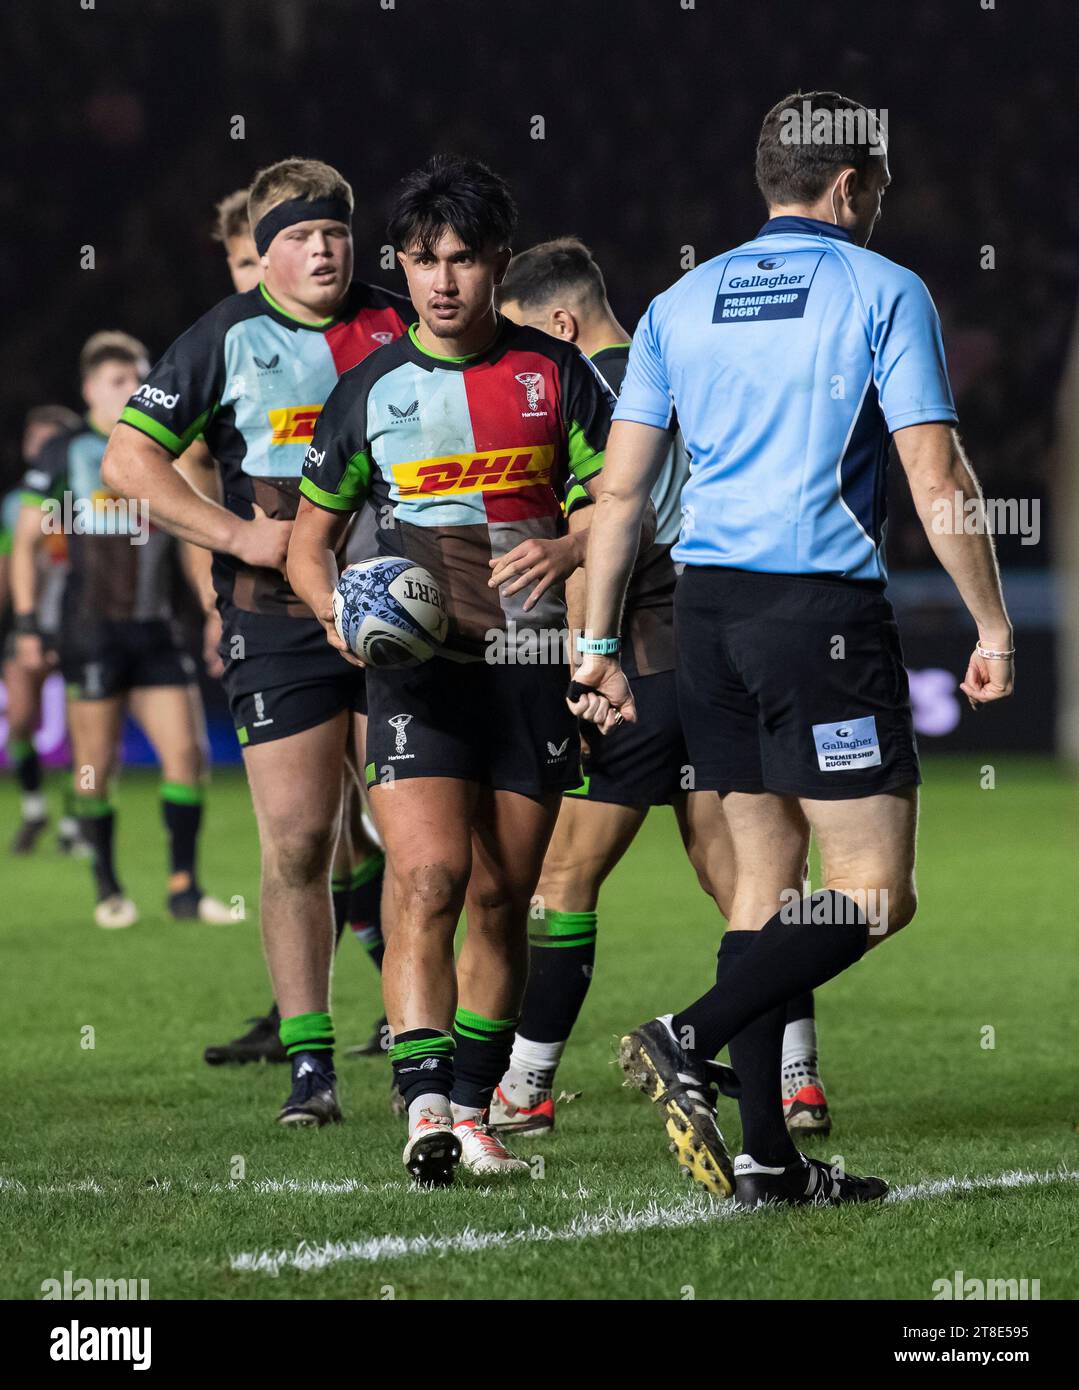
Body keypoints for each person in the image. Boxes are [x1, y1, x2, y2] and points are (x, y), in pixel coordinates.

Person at [568, 91, 1013, 1207]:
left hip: (705, 613)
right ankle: (686, 1031)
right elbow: (936, 476)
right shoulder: (883, 289)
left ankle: (766, 1161)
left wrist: (590, 641)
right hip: (814, 615)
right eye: (881, 188)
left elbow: (620, 491)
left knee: (761, 894)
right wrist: (990, 623)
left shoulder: (681, 299)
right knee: (871, 892)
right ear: (852, 186)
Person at [286, 155, 617, 1183]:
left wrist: (567, 547)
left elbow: (615, 504)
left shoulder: (556, 375)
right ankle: (425, 1108)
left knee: (499, 896)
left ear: (497, 264)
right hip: (416, 671)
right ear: (401, 264)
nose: (440, 280)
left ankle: (473, 1110)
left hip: (528, 663)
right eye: (423, 261)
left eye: (463, 260)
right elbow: (308, 542)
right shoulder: (367, 392)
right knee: (426, 874)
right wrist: (330, 612)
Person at [489, 238, 831, 1138]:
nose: (522, 356)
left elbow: (604, 525)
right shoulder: (688, 365)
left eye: (526, 334)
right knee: (746, 882)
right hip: (725, 643)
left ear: (560, 323)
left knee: (563, 876)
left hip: (638, 656)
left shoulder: (584, 389)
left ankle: (524, 1087)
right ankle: (795, 1078)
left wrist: (583, 659)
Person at [101, 159, 413, 1124]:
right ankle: (312, 1066)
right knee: (297, 842)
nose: (320, 250)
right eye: (297, 237)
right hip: (274, 623)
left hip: (395, 618)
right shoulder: (227, 338)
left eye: (333, 233)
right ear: (265, 250)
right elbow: (126, 460)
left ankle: (422, 1052)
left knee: (415, 847)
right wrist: (236, 535)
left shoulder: (402, 321)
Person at [12, 334, 232, 928]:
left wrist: (214, 610)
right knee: (93, 767)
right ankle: (108, 886)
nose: (132, 390)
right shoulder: (66, 451)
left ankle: (185, 889)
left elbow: (192, 538)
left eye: (138, 378)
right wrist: (30, 624)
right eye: (117, 381)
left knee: (188, 755)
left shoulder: (168, 451)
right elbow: (29, 542)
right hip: (91, 635)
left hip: (156, 633)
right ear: (89, 391)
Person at [2, 404, 83, 854]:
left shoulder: (90, 494)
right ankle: (35, 807)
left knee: (82, 730)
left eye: (48, 437)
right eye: (33, 438)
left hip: (75, 624)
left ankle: (76, 819)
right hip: (31, 625)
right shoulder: (15, 504)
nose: (38, 446)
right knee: (18, 721)